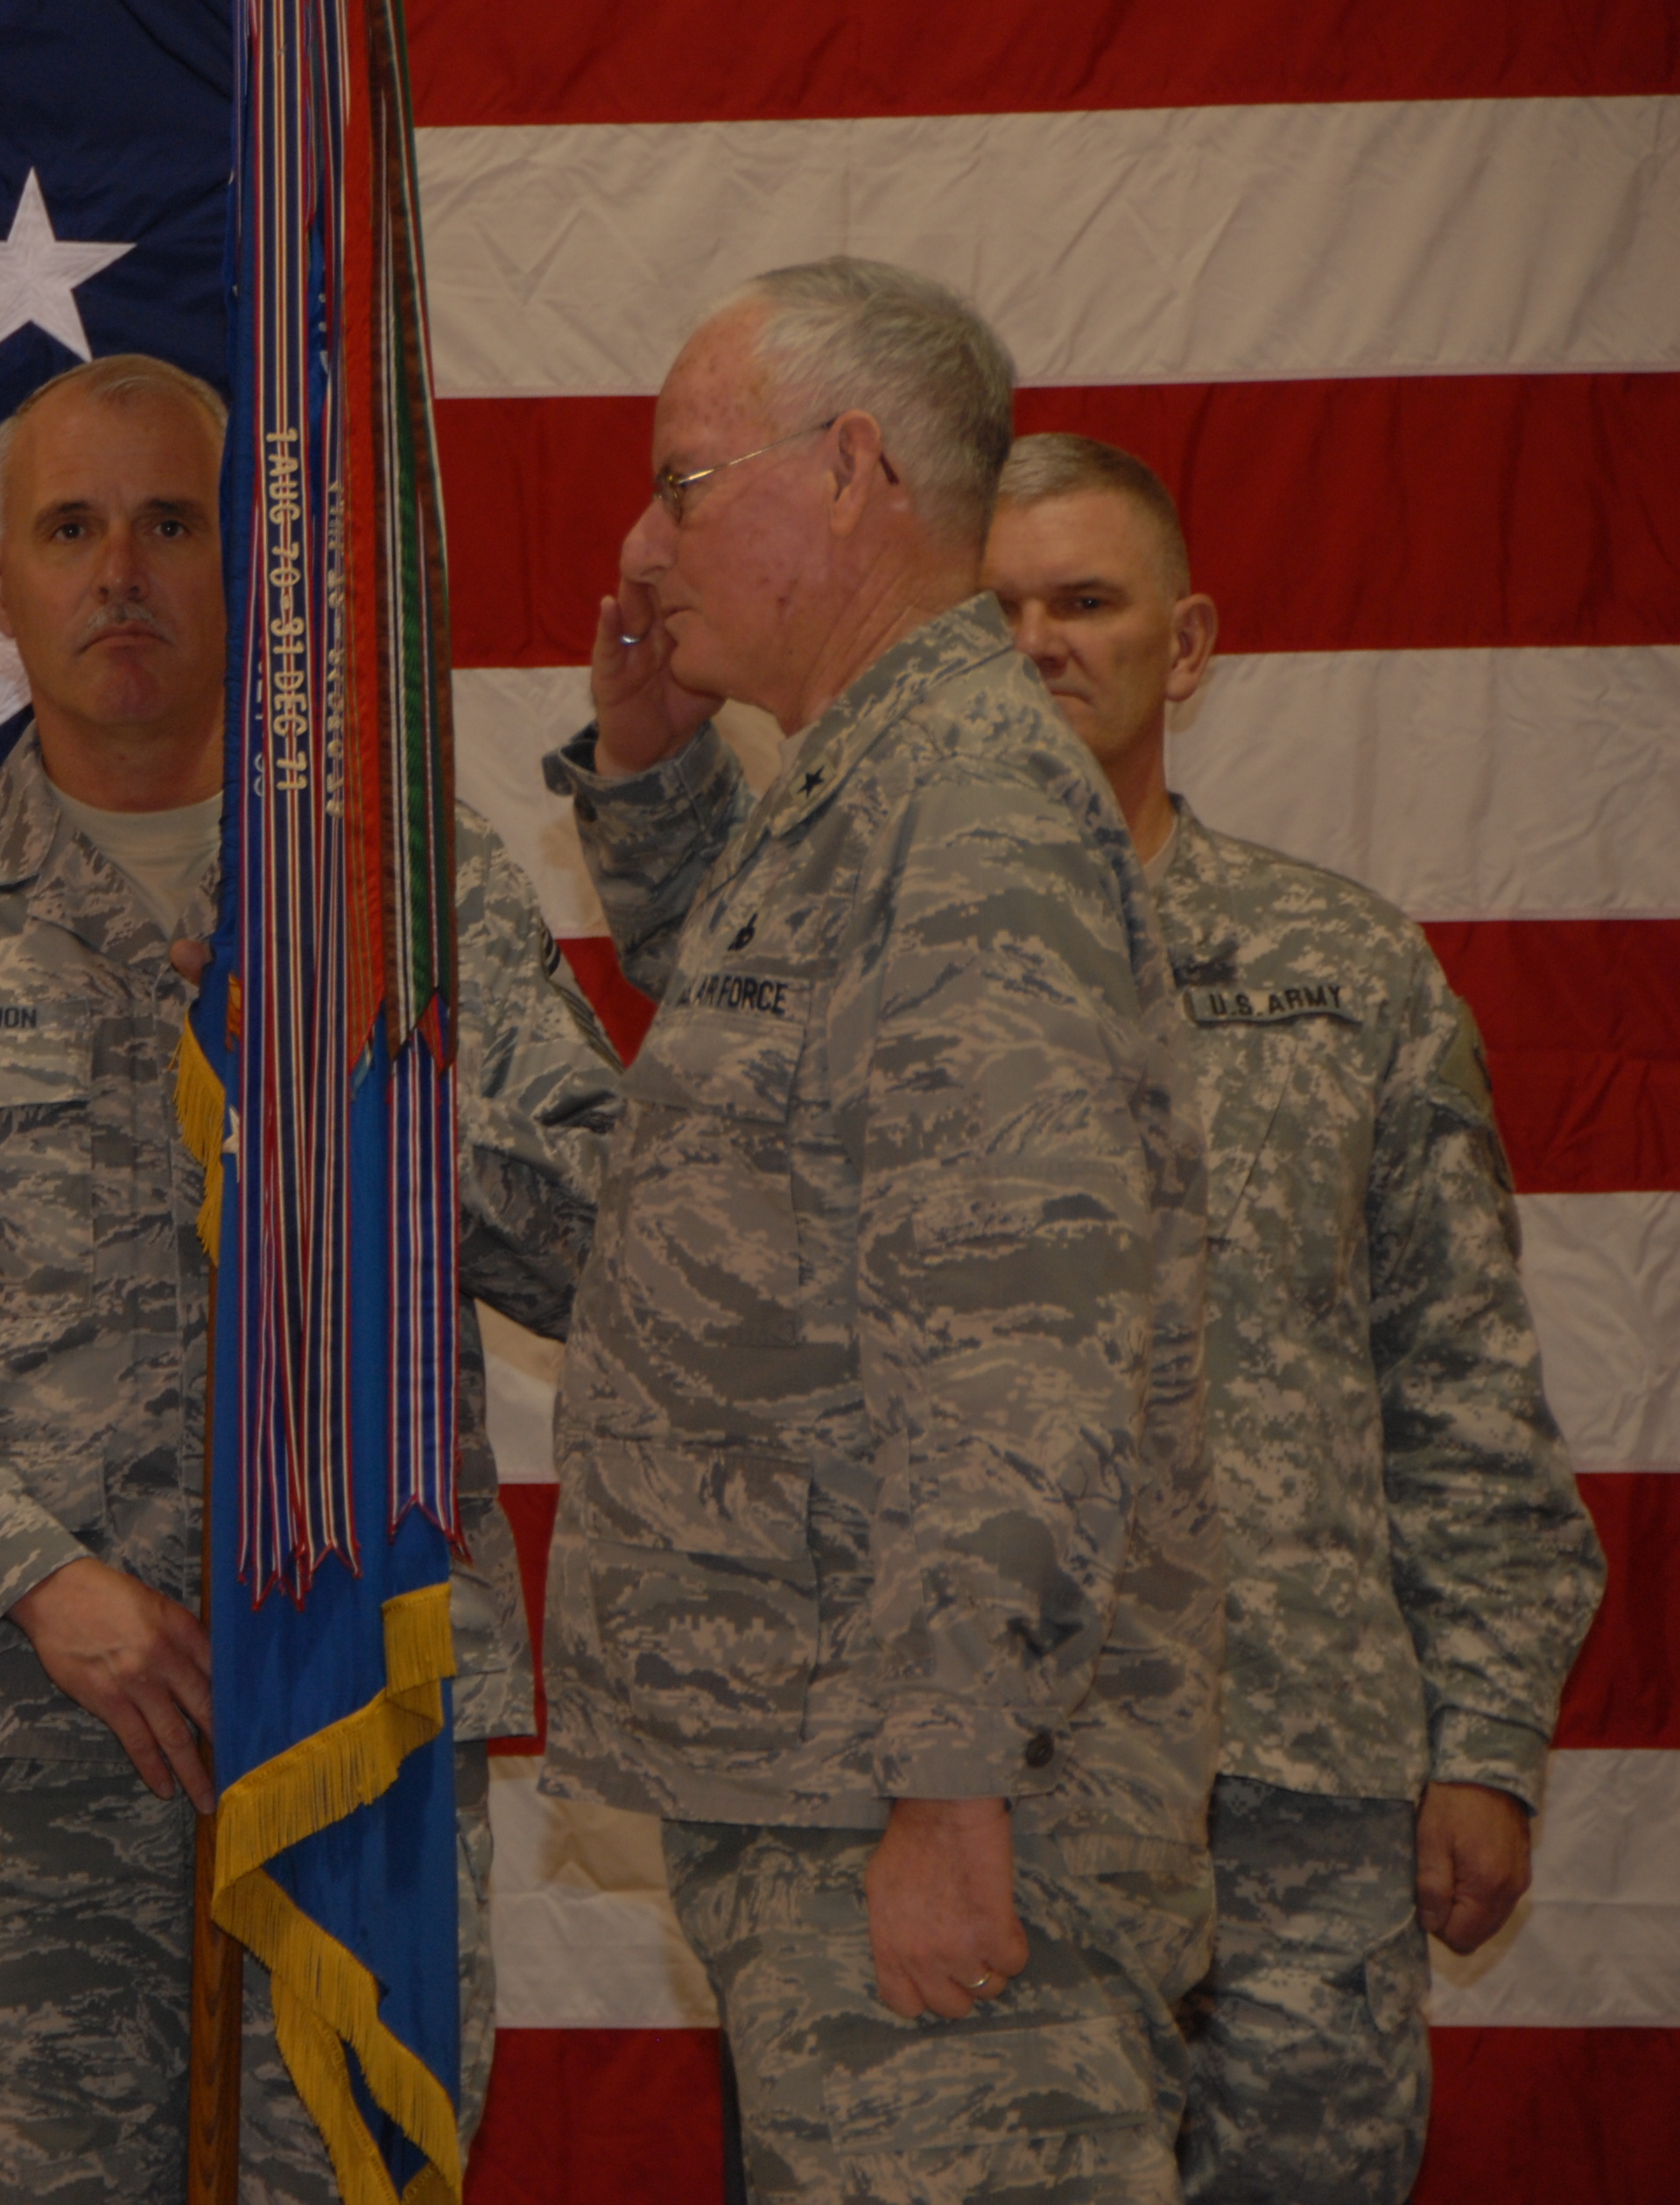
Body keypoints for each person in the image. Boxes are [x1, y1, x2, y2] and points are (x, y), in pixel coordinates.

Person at [0, 353, 621, 2201]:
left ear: (256, 573)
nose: (119, 572)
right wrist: (36, 1581)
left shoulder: (411, 900)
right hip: (15, 1743)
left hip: (351, 1719)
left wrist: (381, 1084)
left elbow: (607, 1248)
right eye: (70, 529)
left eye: (172, 524)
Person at [531, 257, 1221, 2202]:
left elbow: (1012, 1336)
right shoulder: (870, 783)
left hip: (919, 1798)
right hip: (827, 1772)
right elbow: (777, 1064)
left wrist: (950, 1780)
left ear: (848, 474)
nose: (638, 544)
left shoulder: (970, 809)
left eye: (682, 485)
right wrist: (655, 772)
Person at [987, 433, 1607, 2201]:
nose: (1035, 645)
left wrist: (1484, 1742)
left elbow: (1462, 1387)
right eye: (992, 614)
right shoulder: (875, 973)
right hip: (985, 1792)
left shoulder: (1346, 973)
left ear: (1184, 645)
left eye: (1082, 601)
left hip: (1296, 1796)